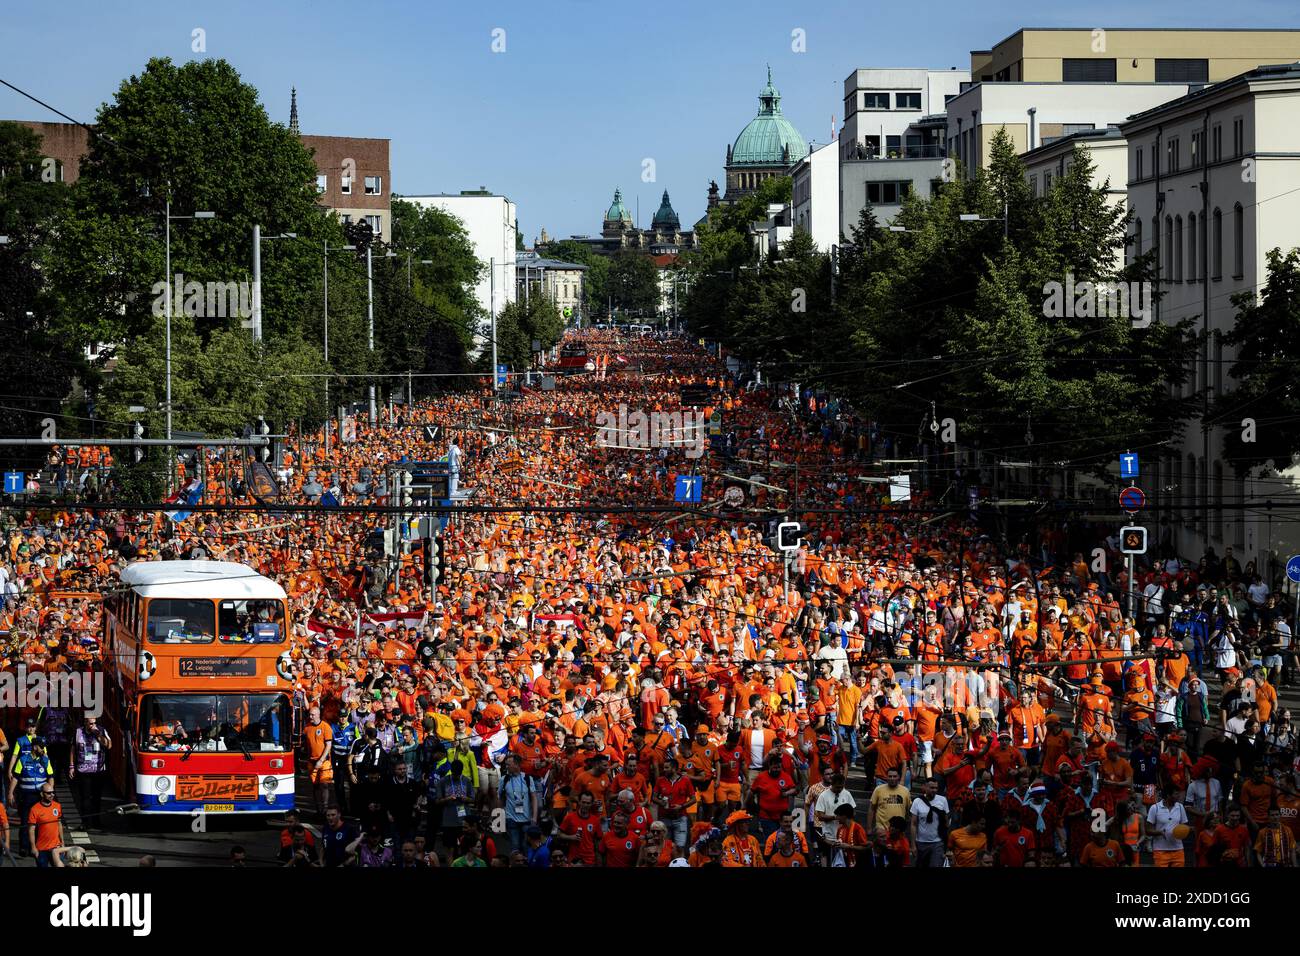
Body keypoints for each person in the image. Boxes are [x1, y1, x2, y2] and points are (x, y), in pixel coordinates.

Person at [69, 715, 111, 822]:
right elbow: (73, 749)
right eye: (91, 723)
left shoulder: (101, 730)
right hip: (83, 770)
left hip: (98, 770)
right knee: (85, 798)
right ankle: (85, 822)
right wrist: (71, 766)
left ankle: (96, 820)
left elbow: (108, 745)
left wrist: (99, 735)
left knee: (96, 797)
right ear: (85, 723)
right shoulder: (78, 732)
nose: (93, 725)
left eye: (94, 723)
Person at [909, 777, 949, 868]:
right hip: (921, 842)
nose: (934, 790)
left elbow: (946, 823)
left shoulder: (942, 800)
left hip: (937, 842)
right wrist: (913, 845)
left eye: (936, 788)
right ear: (924, 787)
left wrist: (945, 844)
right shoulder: (917, 801)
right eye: (931, 788)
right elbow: (913, 824)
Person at [1147, 785, 1190, 867]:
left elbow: (1184, 826)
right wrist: (1159, 832)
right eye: (1176, 794)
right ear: (1168, 795)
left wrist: (1184, 831)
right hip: (1160, 850)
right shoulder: (1155, 808)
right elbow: (1148, 830)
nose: (1179, 796)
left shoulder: (1180, 807)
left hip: (1178, 849)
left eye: (1179, 794)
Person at [26, 782, 64, 868]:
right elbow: (31, 829)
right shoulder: (34, 809)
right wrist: (33, 847)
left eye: (53, 792)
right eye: (49, 793)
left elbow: (59, 824)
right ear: (42, 794)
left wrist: (62, 843)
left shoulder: (57, 806)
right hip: (41, 849)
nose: (52, 795)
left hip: (56, 847)